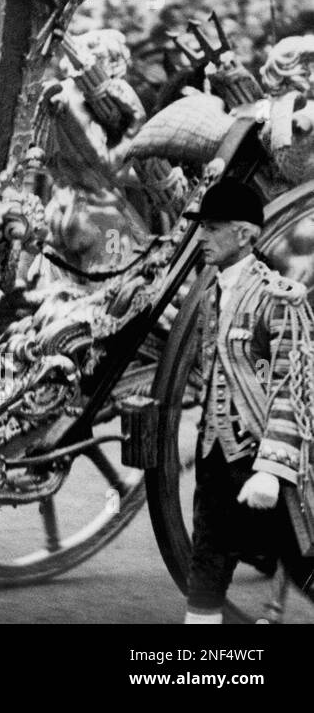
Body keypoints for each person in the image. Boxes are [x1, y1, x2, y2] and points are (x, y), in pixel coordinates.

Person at [180, 178, 314, 623]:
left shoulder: (278, 298)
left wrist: (273, 471)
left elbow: (291, 386)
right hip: (216, 459)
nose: (201, 236)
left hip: (264, 466)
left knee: (305, 565)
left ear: (244, 234)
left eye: (212, 227)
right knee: (207, 565)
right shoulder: (211, 293)